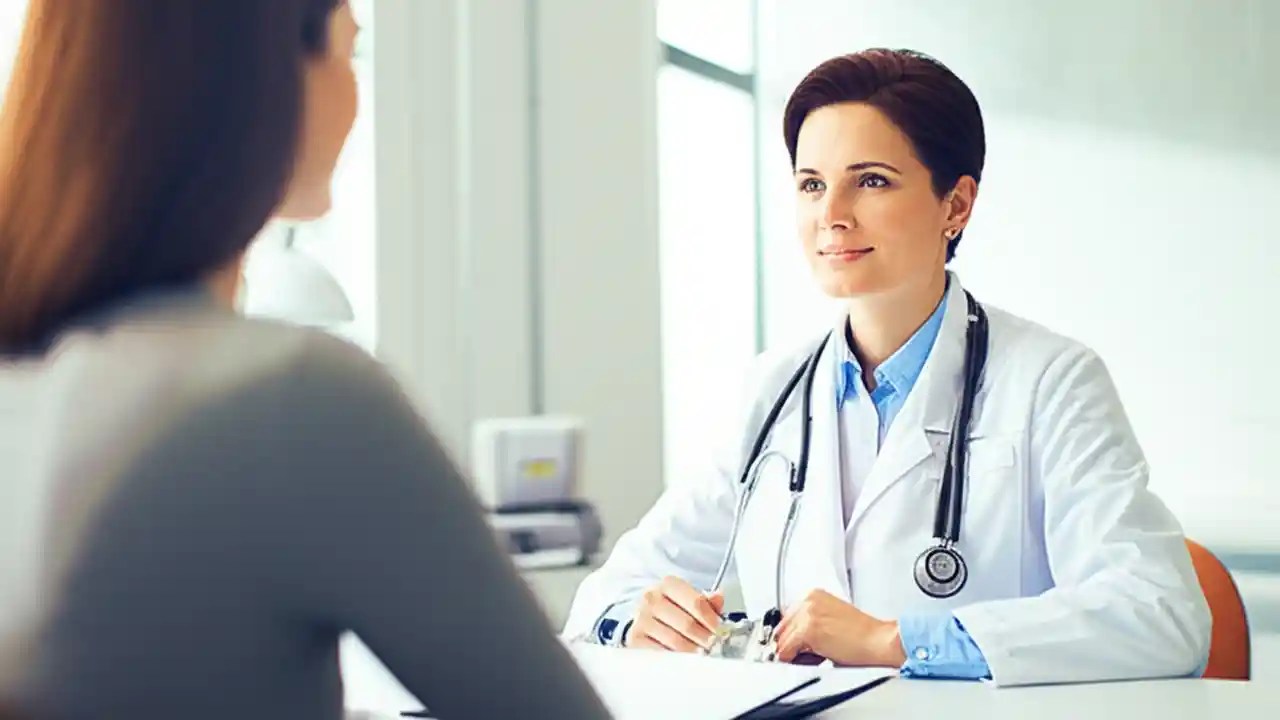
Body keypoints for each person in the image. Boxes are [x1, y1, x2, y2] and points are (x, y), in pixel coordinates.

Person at [0, 2, 609, 718]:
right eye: (349, 50)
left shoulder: (27, 387)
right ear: (267, 76)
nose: (355, 96)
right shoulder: (289, 396)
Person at [563, 48, 1212, 687]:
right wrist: (639, 620)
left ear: (955, 206)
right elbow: (604, 597)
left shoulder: (1052, 381)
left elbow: (1160, 612)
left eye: (870, 180)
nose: (832, 215)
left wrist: (892, 640)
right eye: (812, 184)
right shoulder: (773, 390)